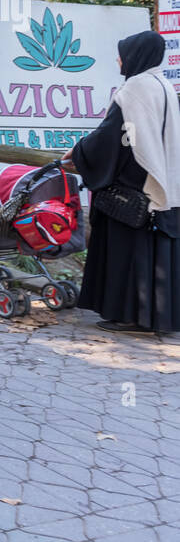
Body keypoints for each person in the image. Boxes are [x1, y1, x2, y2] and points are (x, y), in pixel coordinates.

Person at [64, 31, 180, 335]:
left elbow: (111, 134)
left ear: (135, 55)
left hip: (134, 183)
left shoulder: (134, 88)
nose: (118, 59)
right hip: (161, 179)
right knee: (154, 248)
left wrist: (78, 151)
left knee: (128, 249)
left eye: (122, 53)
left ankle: (131, 317)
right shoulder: (164, 85)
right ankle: (157, 317)